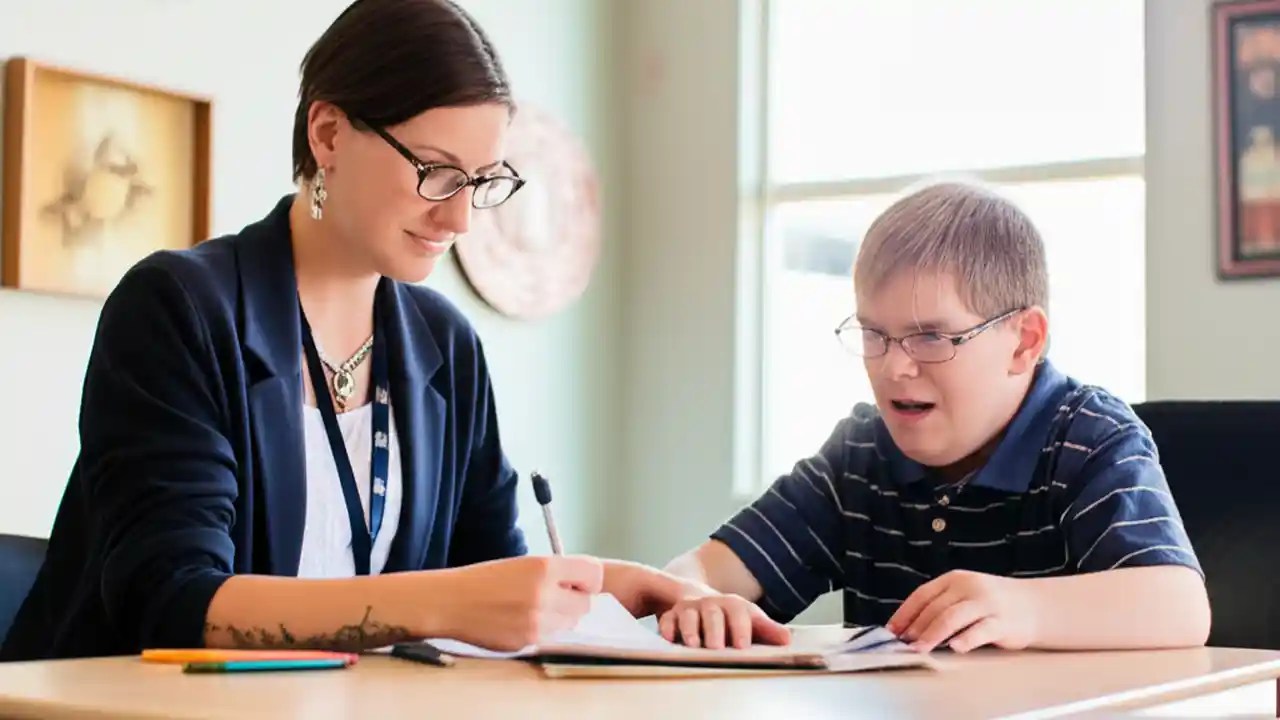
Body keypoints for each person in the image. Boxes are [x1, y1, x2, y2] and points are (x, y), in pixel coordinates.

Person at [1, 0, 682, 661]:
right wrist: (438, 603)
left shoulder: (446, 346)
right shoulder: (179, 309)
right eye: (438, 173)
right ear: (327, 134)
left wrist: (614, 588)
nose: (461, 220)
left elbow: (491, 587)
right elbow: (173, 603)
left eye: (482, 181)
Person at [655, 181, 1211, 653]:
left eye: (930, 337)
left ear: (1024, 342)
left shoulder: (1087, 437)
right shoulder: (860, 455)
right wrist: (694, 597)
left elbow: (1180, 607)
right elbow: (698, 571)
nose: (895, 367)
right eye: (874, 334)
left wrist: (1023, 609)